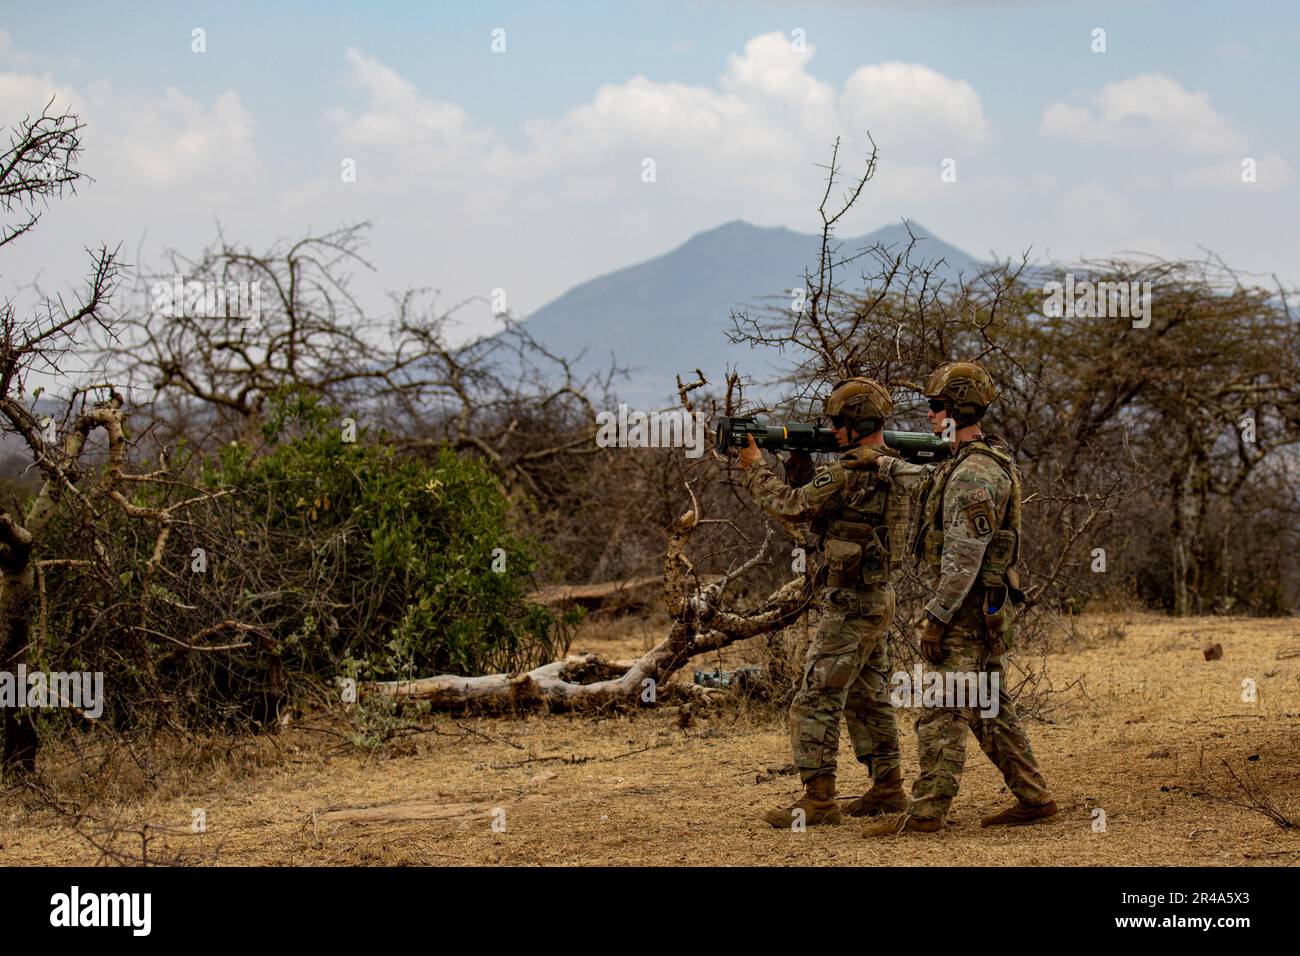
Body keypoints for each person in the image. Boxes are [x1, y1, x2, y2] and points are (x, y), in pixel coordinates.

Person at [863, 361, 1058, 836]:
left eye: (937, 407)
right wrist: (883, 462)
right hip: (985, 608)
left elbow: (963, 561)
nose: (930, 415)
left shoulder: (974, 473)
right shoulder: (976, 460)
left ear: (957, 408)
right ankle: (1034, 797)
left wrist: (936, 618)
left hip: (967, 610)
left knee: (940, 709)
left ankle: (927, 811)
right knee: (989, 705)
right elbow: (929, 485)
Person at [734, 377, 910, 828]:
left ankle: (819, 798)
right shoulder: (888, 465)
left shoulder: (847, 472)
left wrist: (755, 465)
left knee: (815, 696)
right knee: (869, 696)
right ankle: (888, 787)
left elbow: (792, 507)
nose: (832, 429)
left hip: (851, 602)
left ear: (855, 422)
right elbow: (829, 508)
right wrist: (799, 466)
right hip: (877, 596)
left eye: (838, 422)